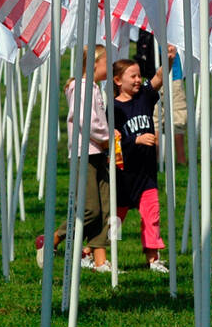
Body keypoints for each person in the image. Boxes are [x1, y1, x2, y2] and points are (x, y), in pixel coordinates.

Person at [36, 45, 115, 272]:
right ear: (93, 63)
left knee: (105, 209)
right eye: (106, 62)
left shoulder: (94, 87)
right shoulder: (81, 88)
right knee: (90, 209)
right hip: (84, 153)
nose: (109, 67)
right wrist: (107, 137)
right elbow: (85, 120)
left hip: (98, 152)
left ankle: (100, 261)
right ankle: (52, 238)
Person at [111, 46, 174, 273]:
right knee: (115, 219)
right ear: (118, 80)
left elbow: (157, 78)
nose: (138, 80)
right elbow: (111, 143)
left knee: (152, 215)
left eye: (139, 76)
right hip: (123, 175)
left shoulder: (145, 97)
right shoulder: (113, 109)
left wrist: (168, 60)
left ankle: (153, 258)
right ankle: (96, 252)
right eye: (133, 76)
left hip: (147, 174)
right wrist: (135, 141)